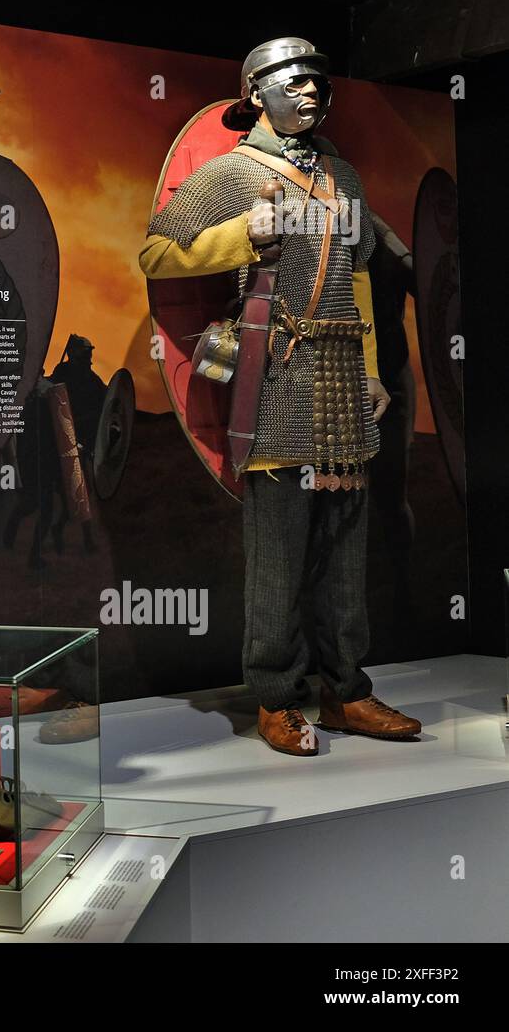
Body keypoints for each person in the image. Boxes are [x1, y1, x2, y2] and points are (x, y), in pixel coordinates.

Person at [140, 37, 421, 756]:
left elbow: (353, 278)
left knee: (343, 550)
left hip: (337, 377)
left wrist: (368, 371)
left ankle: (345, 691)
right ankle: (275, 695)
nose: (311, 94)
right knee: (277, 553)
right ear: (255, 92)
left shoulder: (342, 177)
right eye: (294, 82)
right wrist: (242, 234)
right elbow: (157, 252)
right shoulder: (234, 174)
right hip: (276, 379)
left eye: (318, 83)